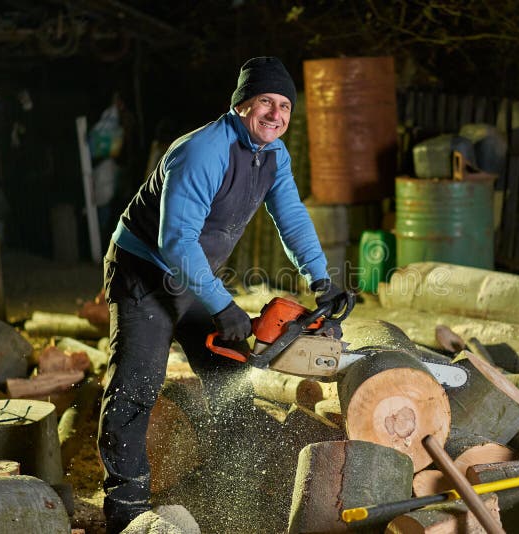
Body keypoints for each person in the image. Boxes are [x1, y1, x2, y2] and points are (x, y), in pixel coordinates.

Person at [98, 56, 347, 533]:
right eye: (266, 103)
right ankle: (126, 511)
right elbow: (175, 242)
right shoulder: (202, 152)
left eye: (285, 107)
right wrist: (222, 306)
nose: (276, 114)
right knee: (137, 383)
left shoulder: (274, 154)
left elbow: (291, 217)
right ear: (241, 104)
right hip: (144, 272)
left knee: (229, 373)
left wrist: (322, 281)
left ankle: (229, 484)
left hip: (195, 273)